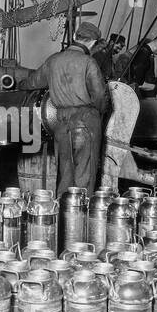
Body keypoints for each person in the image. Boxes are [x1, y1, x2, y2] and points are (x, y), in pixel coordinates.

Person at [31, 21, 110, 195]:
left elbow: (32, 82)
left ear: (75, 37)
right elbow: (100, 97)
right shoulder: (89, 62)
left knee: (65, 175)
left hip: (60, 122)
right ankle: (81, 217)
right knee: (85, 175)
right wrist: (100, 113)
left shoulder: (54, 59)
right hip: (86, 121)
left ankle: (61, 216)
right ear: (92, 43)